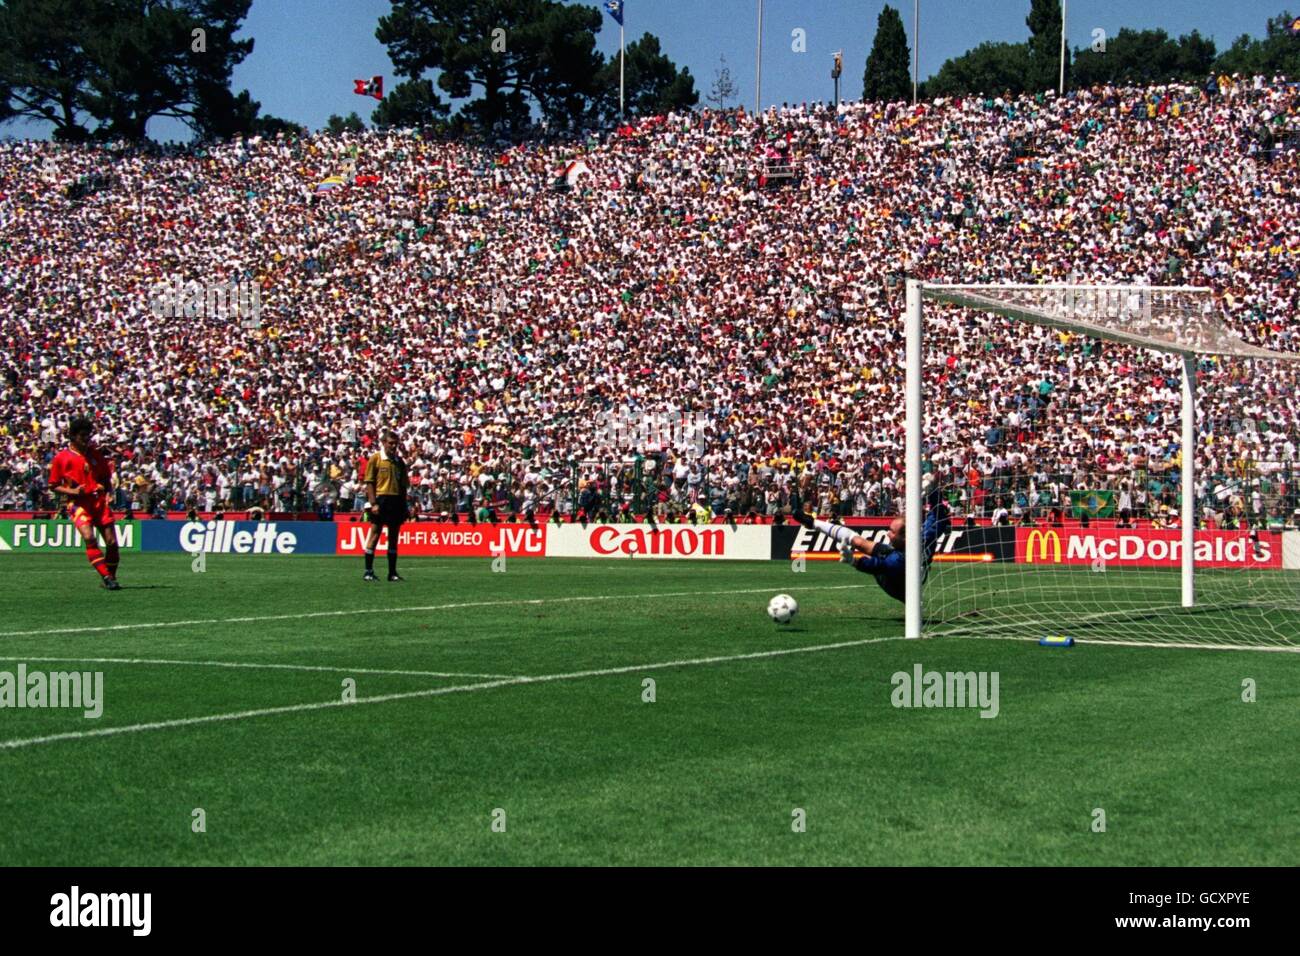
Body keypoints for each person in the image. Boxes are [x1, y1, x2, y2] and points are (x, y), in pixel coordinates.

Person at [792, 492, 948, 603]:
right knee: (859, 543)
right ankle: (812, 523)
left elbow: (876, 566)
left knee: (879, 561)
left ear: (905, 537)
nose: (887, 534)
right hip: (904, 563)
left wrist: (853, 561)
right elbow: (939, 516)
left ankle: (912, 601)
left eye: (892, 532)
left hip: (896, 585)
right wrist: (932, 490)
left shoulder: (896, 561)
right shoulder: (924, 536)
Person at [47, 417, 121, 590]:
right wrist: (73, 492)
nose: (86, 439)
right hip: (78, 504)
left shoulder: (96, 455)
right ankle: (107, 578)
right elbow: (53, 485)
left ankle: (111, 576)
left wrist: (108, 492)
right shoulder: (62, 458)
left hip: (99, 502)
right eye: (82, 436)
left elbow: (106, 479)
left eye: (88, 435)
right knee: (89, 537)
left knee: (111, 543)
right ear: (73, 436)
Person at [362, 430, 410, 582]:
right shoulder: (376, 458)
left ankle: (392, 572)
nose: (393, 446)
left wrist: (404, 504)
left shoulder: (399, 461)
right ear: (383, 443)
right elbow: (369, 482)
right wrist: (373, 503)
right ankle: (368, 571)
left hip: (396, 499)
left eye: (395, 443)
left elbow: (403, 485)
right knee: (375, 533)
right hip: (381, 499)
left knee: (394, 536)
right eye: (390, 443)